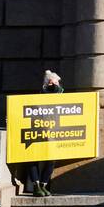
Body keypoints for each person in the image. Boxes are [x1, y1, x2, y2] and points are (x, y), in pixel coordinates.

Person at [18, 70, 63, 198]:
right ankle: (36, 185)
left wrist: (56, 87)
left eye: (56, 82)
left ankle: (43, 184)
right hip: (37, 129)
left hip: (53, 130)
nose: (54, 84)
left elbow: (60, 97)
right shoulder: (40, 94)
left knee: (51, 159)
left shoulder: (60, 93)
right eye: (53, 82)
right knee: (32, 158)